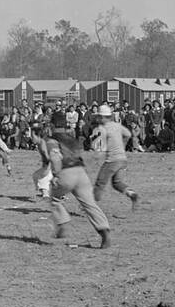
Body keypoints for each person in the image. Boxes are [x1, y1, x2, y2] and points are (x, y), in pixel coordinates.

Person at [46, 112, 111, 248]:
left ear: (52, 124)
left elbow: (55, 158)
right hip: (81, 173)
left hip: (65, 173)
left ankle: (62, 223)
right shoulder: (72, 138)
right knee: (89, 204)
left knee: (54, 197)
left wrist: (56, 175)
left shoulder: (52, 140)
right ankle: (104, 231)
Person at [89, 103, 140, 211]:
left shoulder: (103, 128)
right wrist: (122, 144)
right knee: (117, 183)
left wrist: (96, 154)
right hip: (122, 159)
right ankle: (132, 194)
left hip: (112, 160)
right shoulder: (117, 125)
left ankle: (90, 207)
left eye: (98, 117)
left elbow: (100, 146)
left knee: (100, 183)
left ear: (102, 117)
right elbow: (128, 134)